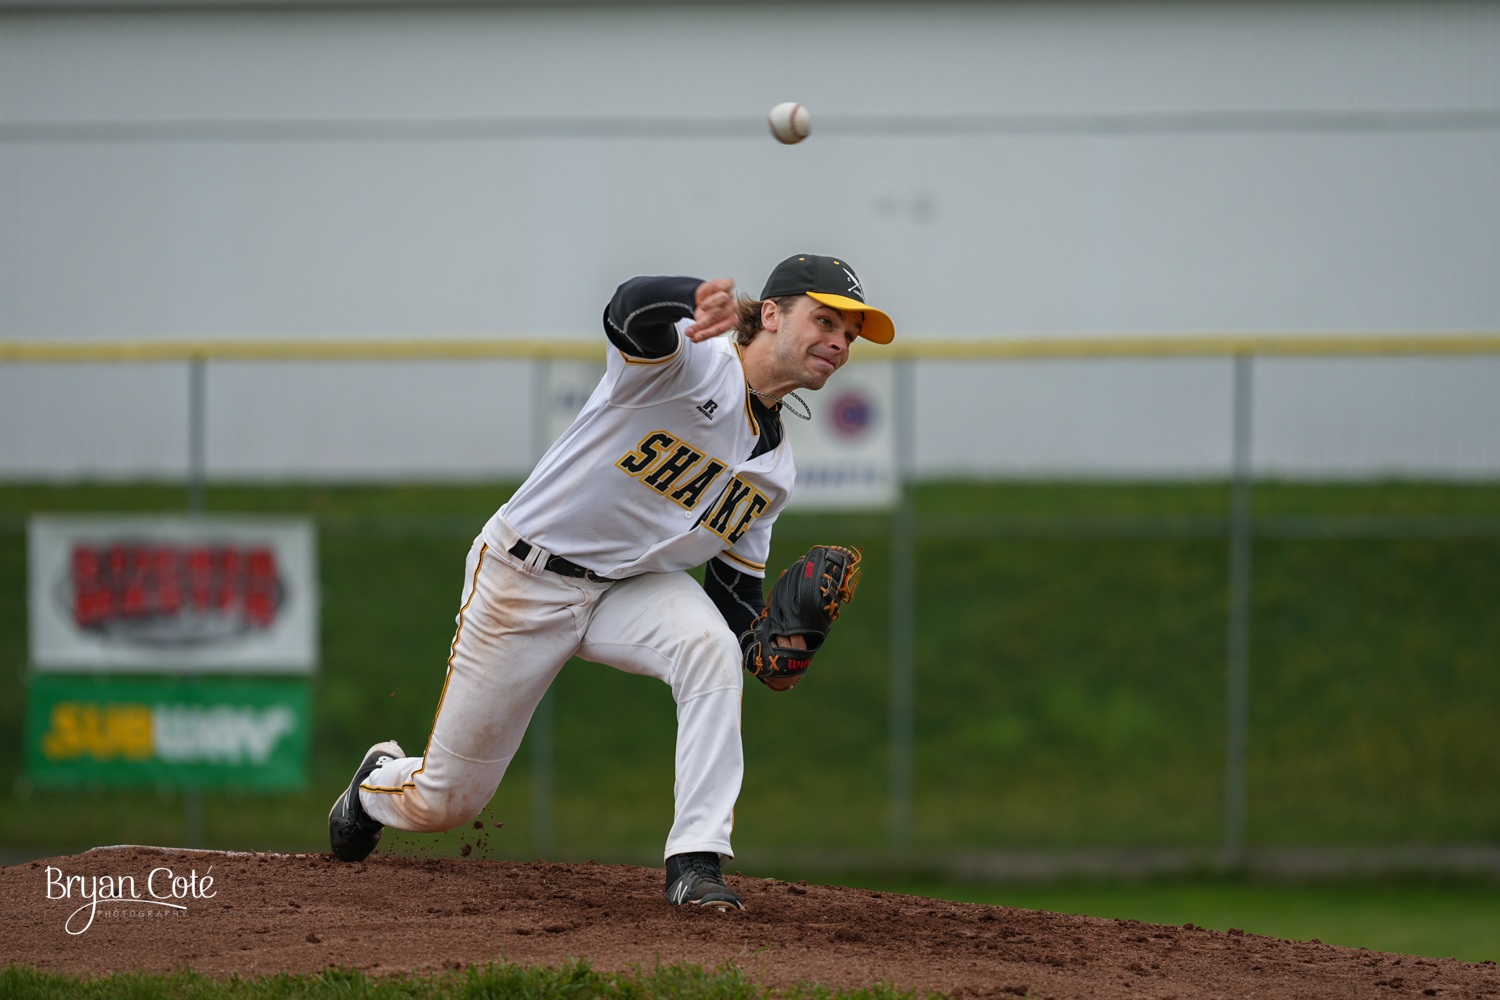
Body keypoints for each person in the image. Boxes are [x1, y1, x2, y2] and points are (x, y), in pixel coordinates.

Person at [328, 254, 895, 910]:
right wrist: (691, 296)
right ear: (770, 314)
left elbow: (733, 595)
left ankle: (696, 862)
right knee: (446, 802)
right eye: (825, 320)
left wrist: (766, 647)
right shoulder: (692, 363)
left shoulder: (775, 473)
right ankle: (374, 786)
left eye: (850, 334)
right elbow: (628, 309)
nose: (839, 342)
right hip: (525, 577)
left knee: (709, 648)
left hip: (627, 589)